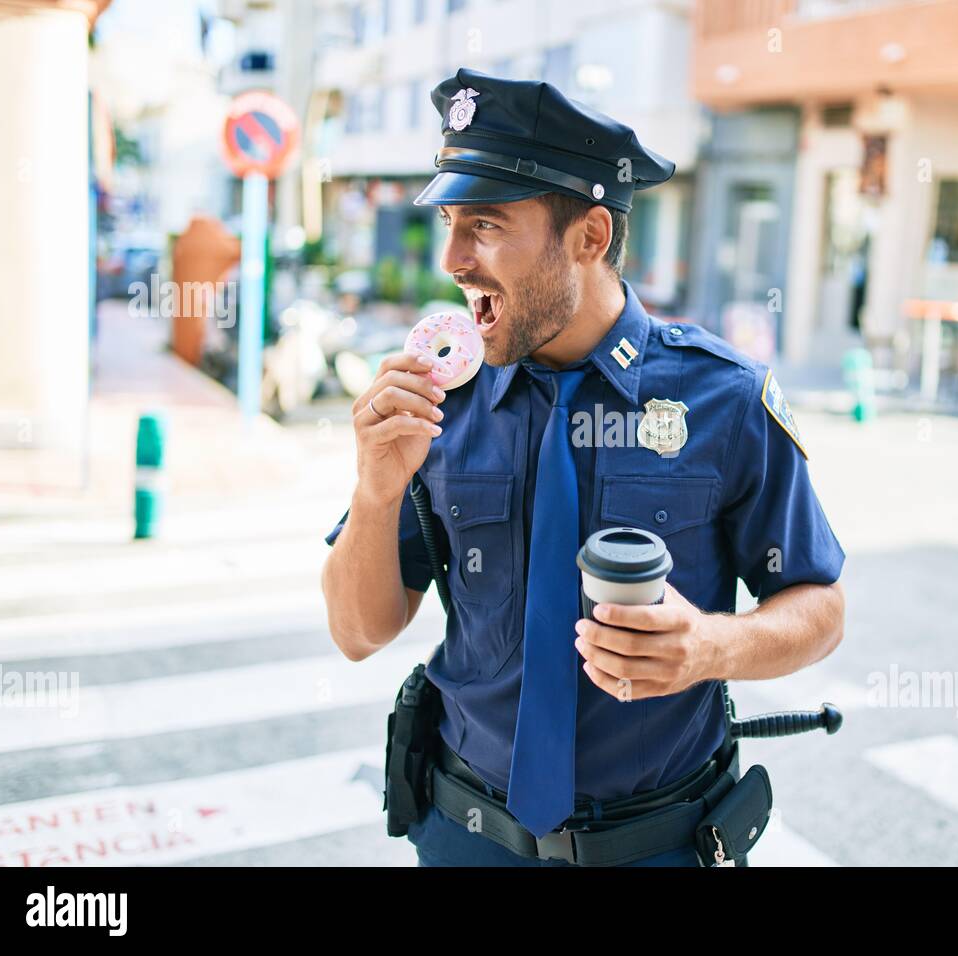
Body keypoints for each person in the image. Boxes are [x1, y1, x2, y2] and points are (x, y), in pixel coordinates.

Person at [321, 68, 846, 867]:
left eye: (487, 226)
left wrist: (711, 646)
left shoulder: (726, 398)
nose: (455, 259)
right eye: (452, 224)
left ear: (590, 238)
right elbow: (359, 633)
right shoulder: (438, 399)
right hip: (465, 838)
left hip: (660, 845)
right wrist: (375, 487)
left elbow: (819, 604)